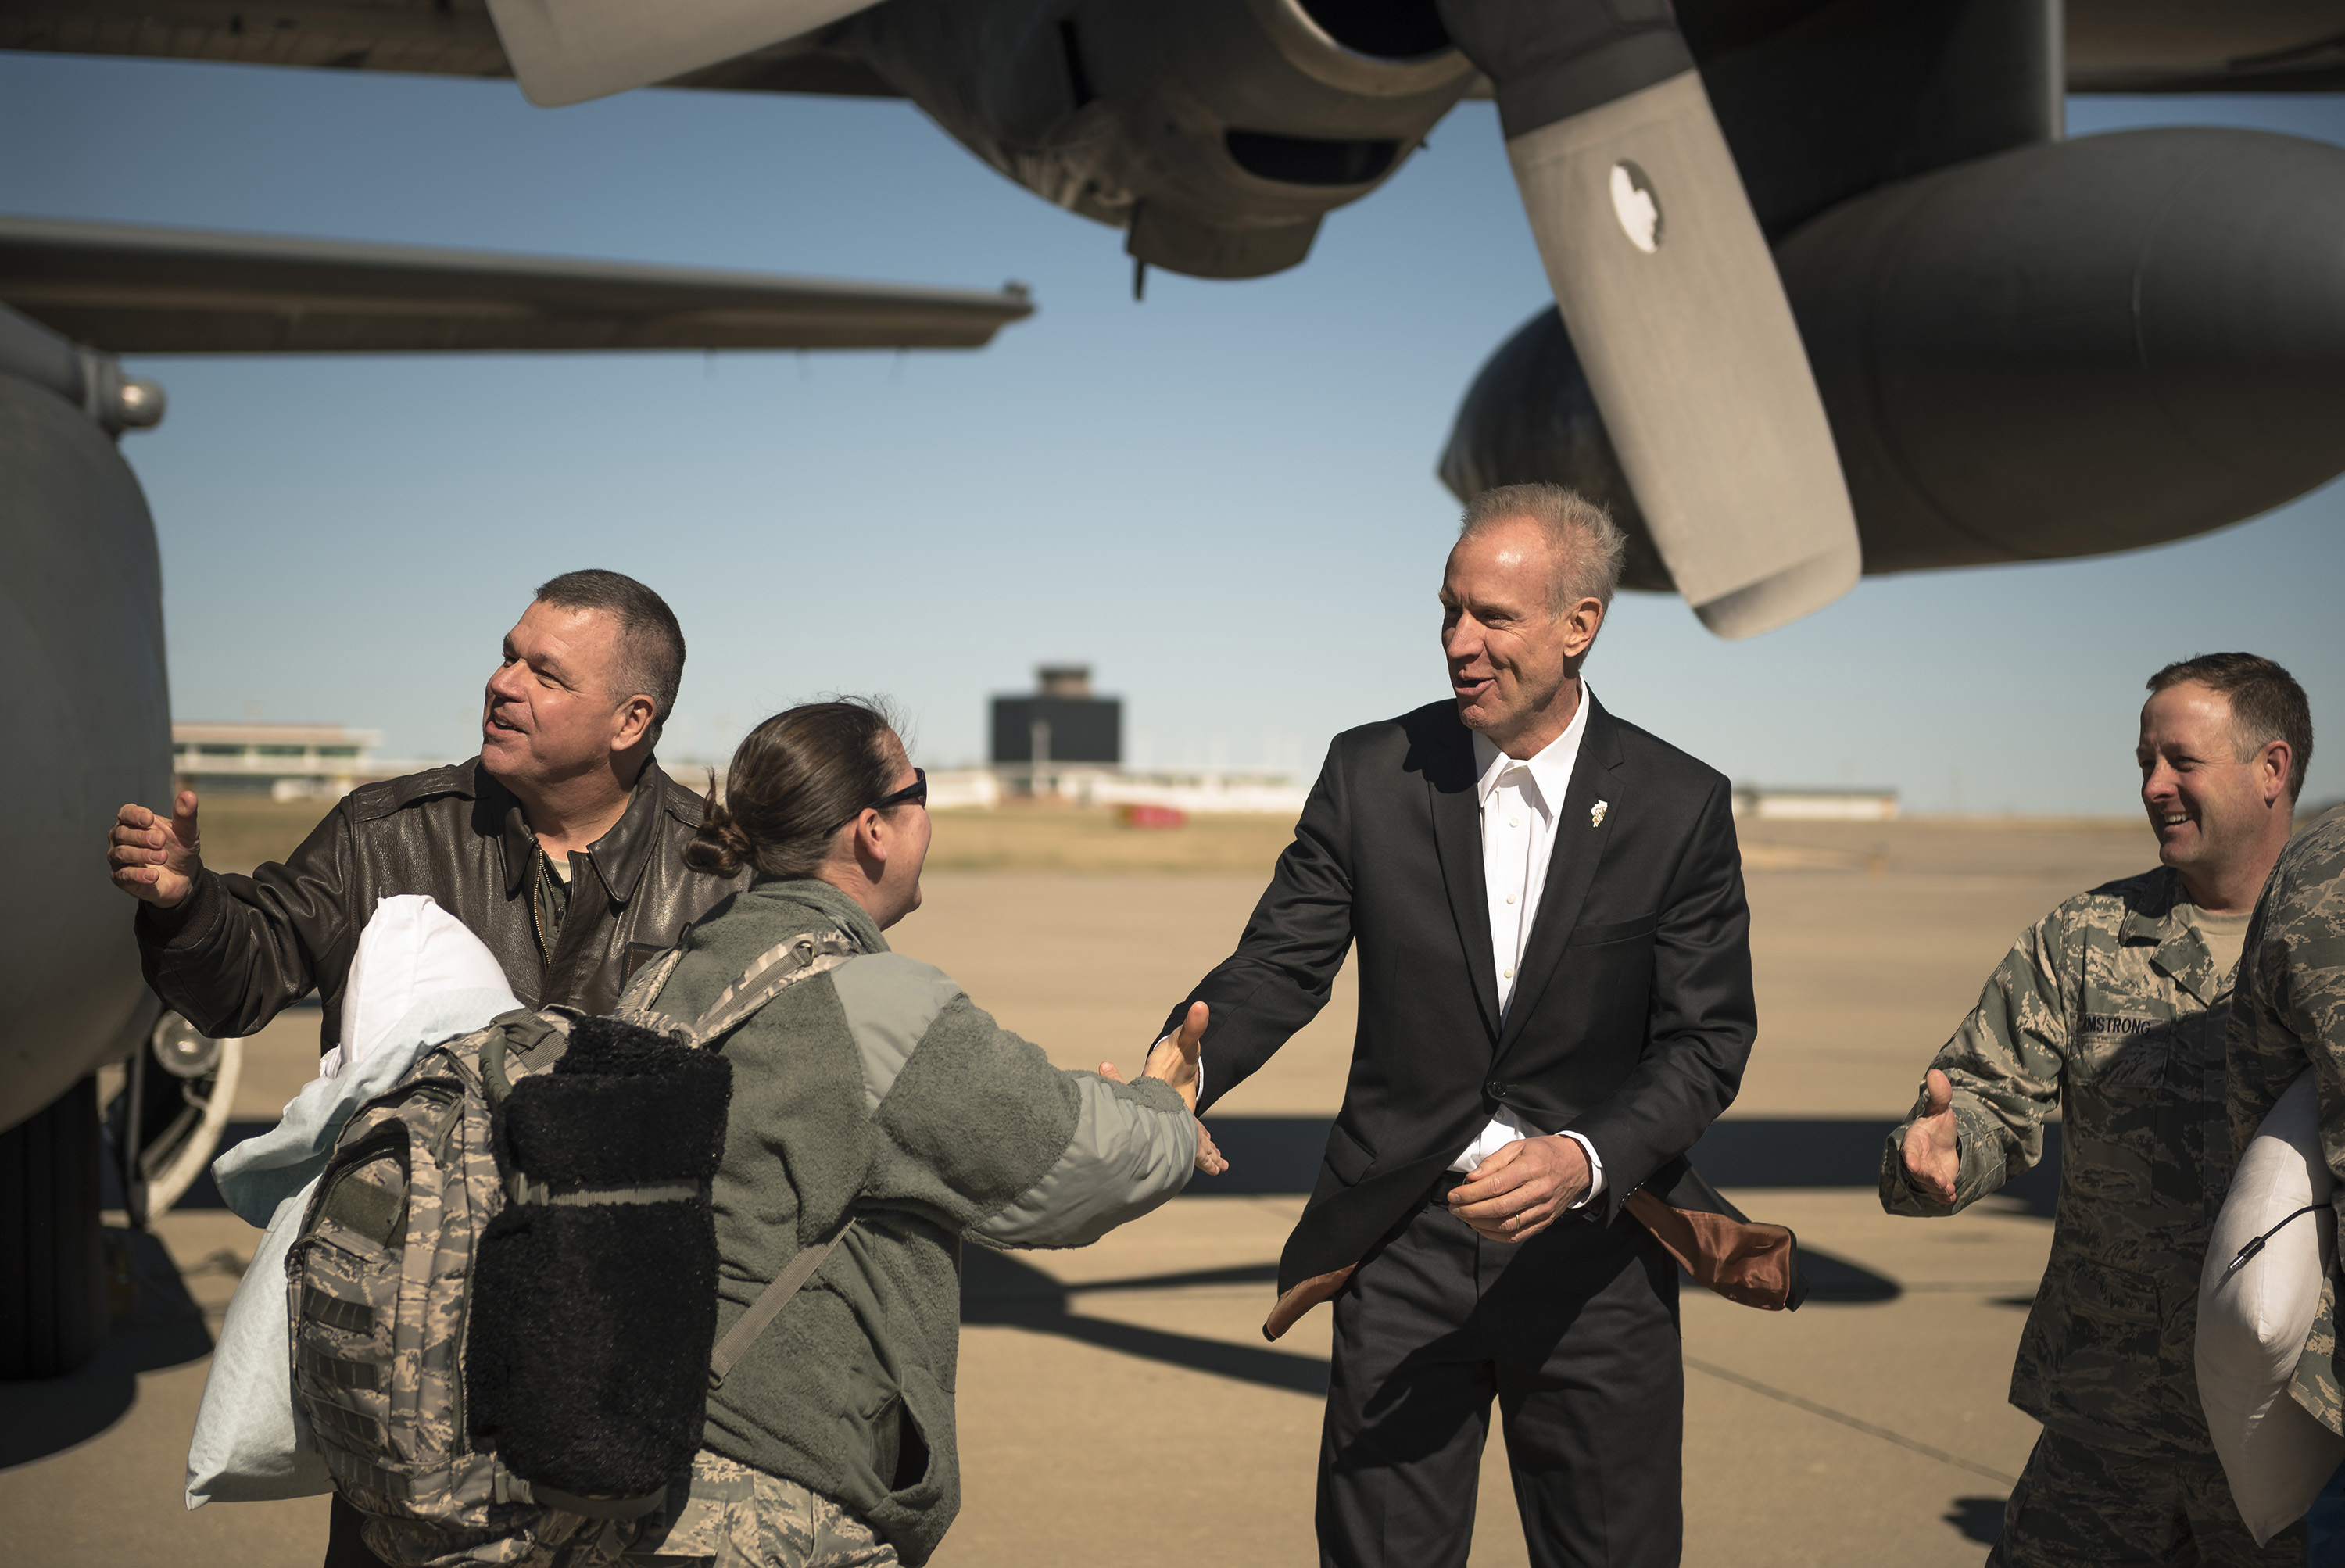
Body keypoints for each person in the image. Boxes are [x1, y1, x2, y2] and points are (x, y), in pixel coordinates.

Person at [1155, 483, 1755, 1568]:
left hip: (1593, 1261)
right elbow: (1283, 962)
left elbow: (1708, 1041)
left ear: (1582, 625)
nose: (1458, 644)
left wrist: (1583, 1157)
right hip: (1401, 1248)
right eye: (1446, 612)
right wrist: (1188, 1067)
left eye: (1493, 617)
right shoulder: (1371, 772)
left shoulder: (1679, 804)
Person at [104, 567, 748, 1567]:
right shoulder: (387, 831)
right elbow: (249, 969)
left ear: (631, 719)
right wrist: (189, 905)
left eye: (545, 670)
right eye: (506, 653)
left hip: (624, 1358)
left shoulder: (717, 872)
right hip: (411, 1355)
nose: (503, 681)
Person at [622, 699, 1219, 1568]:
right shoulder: (874, 1003)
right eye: (919, 792)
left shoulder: (671, 972)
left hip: (633, 1468)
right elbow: (1072, 1160)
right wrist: (1166, 1102)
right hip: (777, 1501)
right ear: (873, 830)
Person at [1883, 653, 2313, 1566]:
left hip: (2292, 1437)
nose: (2154, 785)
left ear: (2271, 768)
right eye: (2143, 761)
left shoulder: (2328, 950)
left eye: (2180, 760)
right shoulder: (2085, 938)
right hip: (2108, 1426)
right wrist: (1952, 1148)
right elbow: (1990, 1091)